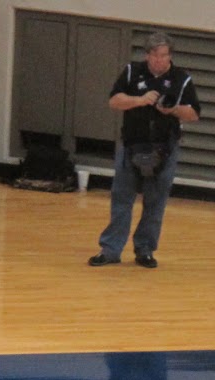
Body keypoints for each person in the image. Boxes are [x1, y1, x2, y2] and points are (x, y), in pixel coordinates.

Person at [86, 30, 201, 270]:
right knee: (121, 199)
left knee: (155, 202)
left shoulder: (182, 78)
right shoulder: (131, 71)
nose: (160, 60)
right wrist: (140, 100)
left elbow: (194, 114)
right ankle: (110, 250)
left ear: (170, 56)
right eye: (155, 55)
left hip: (165, 150)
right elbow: (114, 101)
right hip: (131, 146)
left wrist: (173, 110)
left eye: (164, 55)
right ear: (147, 55)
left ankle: (145, 250)